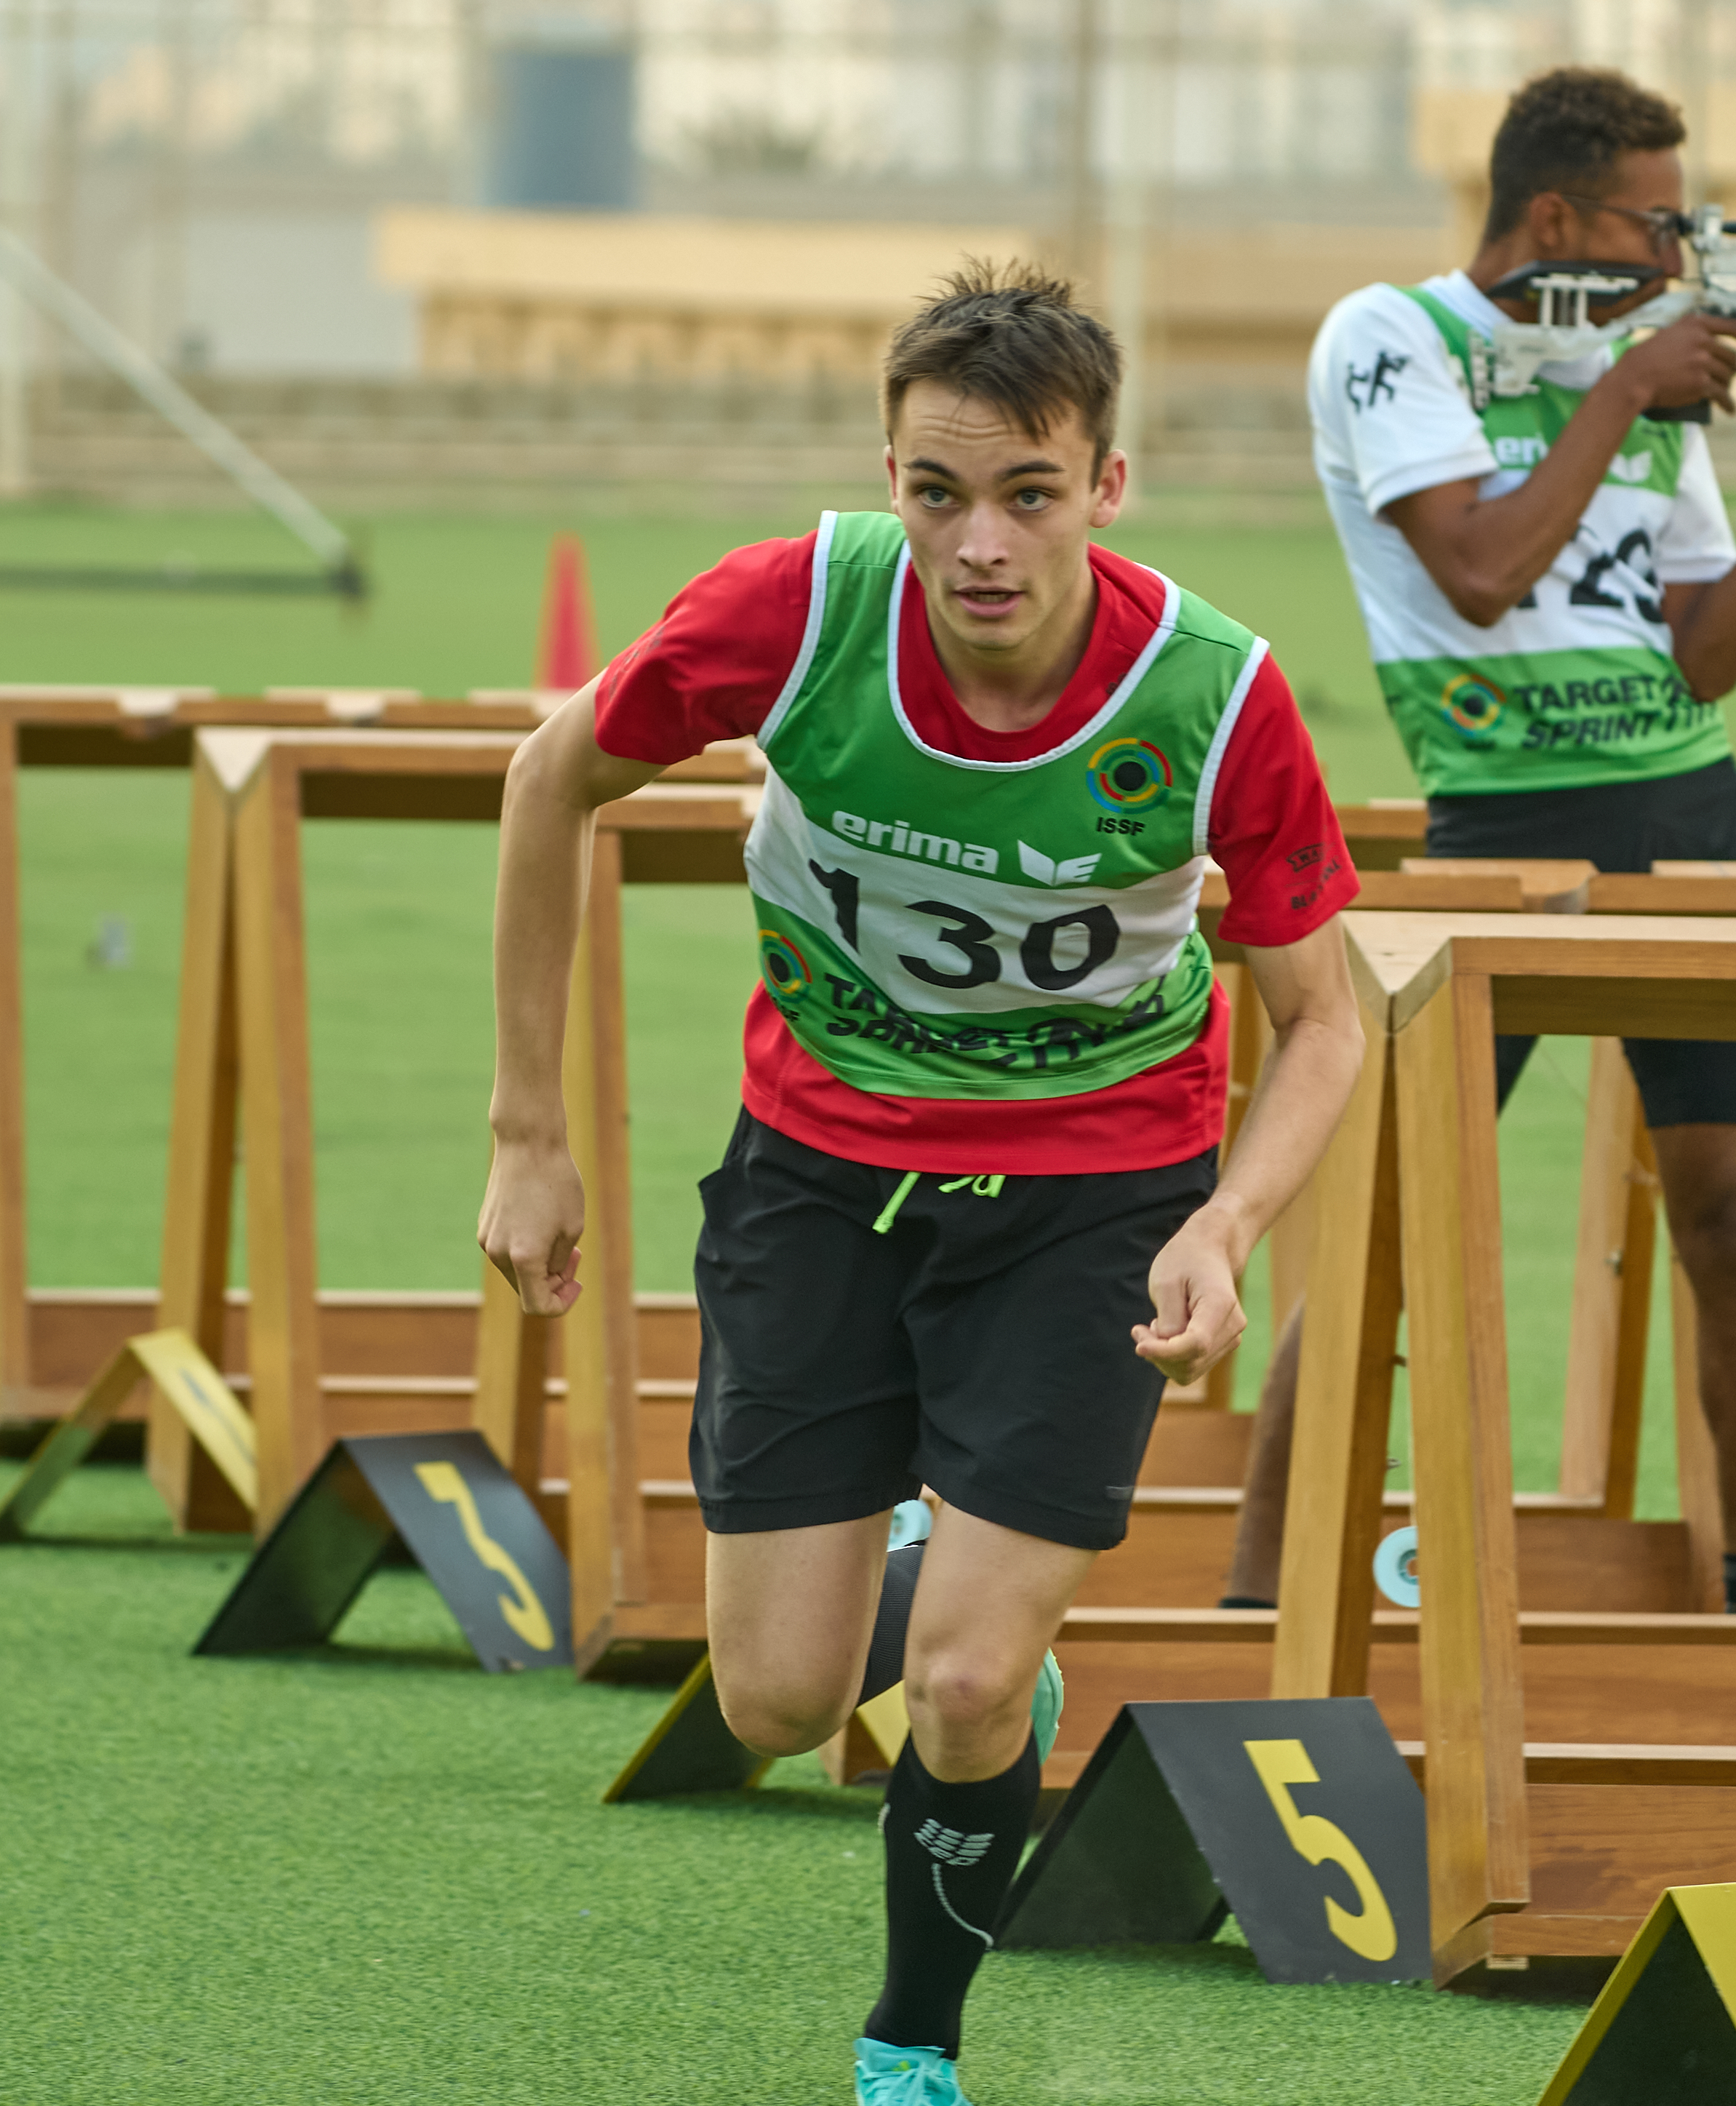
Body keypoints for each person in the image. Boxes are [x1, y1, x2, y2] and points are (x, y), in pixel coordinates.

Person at [478, 261, 1364, 2106]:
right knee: (777, 1705)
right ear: (887, 476)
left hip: (1096, 1194)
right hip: (822, 1173)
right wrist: (528, 1133)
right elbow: (549, 779)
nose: (980, 545)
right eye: (935, 492)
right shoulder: (789, 614)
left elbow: (1327, 1021)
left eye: (1028, 495)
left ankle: (912, 2044)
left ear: (1104, 488)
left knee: (959, 1689)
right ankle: (914, 1564)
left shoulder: (1213, 697)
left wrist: (1226, 1220)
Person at [1220, 66, 1736, 1616]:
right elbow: (1479, 571)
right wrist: (1627, 385)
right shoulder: (1394, 338)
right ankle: (1256, 1596)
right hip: (1494, 826)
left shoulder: (1632, 364)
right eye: (1655, 222)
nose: (1675, 257)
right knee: (1378, 1232)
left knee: (1732, 1215)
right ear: (1553, 213)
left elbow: (1699, 657)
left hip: (1690, 811)